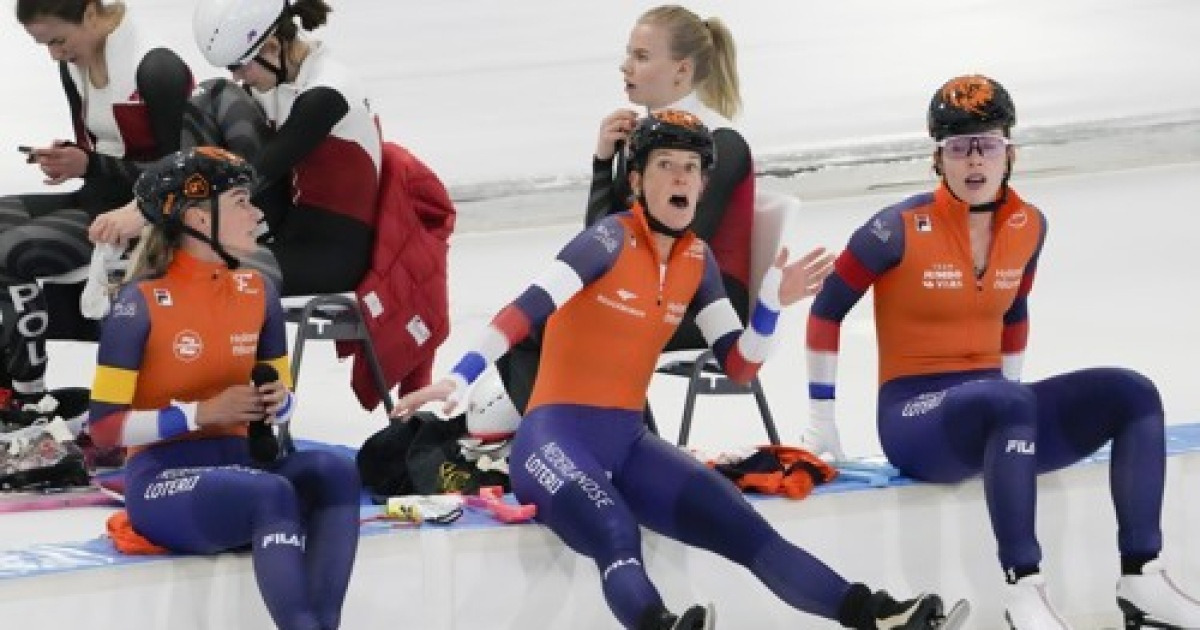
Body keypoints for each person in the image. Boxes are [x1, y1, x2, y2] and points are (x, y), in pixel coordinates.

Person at [394, 110, 965, 630]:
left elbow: (740, 367)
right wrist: (458, 378)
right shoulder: (605, 241)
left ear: (702, 183)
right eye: (665, 165)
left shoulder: (698, 261)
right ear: (637, 181)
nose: (680, 178)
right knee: (616, 533)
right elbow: (522, 312)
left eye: (690, 168)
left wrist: (767, 307)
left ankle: (876, 616)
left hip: (628, 440)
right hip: (551, 441)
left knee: (745, 528)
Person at [801, 74, 1200, 629]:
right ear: (937, 159)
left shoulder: (1028, 225)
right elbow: (826, 311)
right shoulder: (894, 229)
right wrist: (822, 421)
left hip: (993, 412)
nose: (973, 160)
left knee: (1132, 392)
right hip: (915, 419)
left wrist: (1014, 396)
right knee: (1006, 402)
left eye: (986, 144)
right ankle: (1023, 592)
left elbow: (1014, 312)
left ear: (1009, 153)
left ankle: (1143, 577)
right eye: (958, 147)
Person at [87, 147, 361, 630]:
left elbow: (283, 400)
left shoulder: (258, 290)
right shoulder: (139, 304)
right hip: (162, 480)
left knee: (334, 471)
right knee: (271, 493)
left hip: (243, 465)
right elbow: (105, 430)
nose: (257, 214)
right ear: (196, 216)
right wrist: (199, 413)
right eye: (240, 202)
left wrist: (278, 402)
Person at [497, 5, 754, 413]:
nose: (625, 66)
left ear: (682, 71)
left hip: (703, 304)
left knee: (553, 327)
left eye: (642, 56)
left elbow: (679, 248)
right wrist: (604, 162)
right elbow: (600, 244)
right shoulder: (646, 140)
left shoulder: (720, 143)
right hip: (650, 285)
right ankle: (572, 441)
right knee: (527, 326)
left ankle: (582, 443)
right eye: (629, 54)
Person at [89, 0, 380, 297]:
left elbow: (254, 173)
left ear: (271, 47)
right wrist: (140, 204)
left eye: (239, 66)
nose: (238, 77)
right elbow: (212, 160)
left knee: (177, 276)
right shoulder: (277, 78)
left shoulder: (328, 92)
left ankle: (164, 225)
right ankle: (167, 225)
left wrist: (147, 213)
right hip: (281, 229)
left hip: (328, 255)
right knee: (209, 96)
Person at [4, 0, 191, 410]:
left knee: (10, 251)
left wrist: (90, 164)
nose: (54, 54)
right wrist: (71, 159)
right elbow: (98, 156)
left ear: (90, 14)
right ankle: (10, 387)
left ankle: (28, 397)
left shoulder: (155, 68)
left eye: (58, 40)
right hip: (99, 198)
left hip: (145, 217)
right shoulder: (73, 63)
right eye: (44, 45)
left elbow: (179, 179)